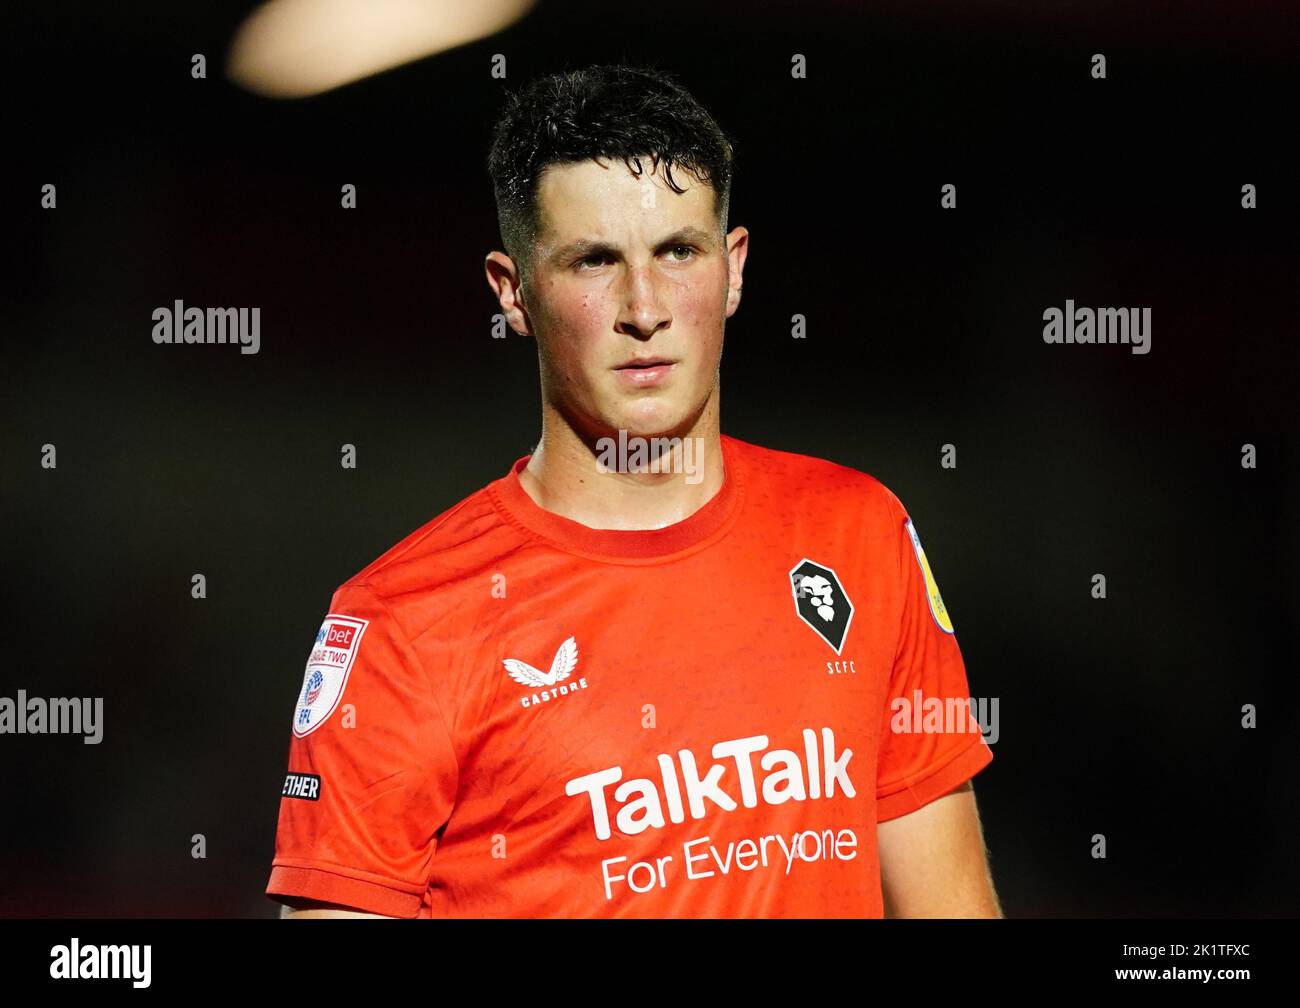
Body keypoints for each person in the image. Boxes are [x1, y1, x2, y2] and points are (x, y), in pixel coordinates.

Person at [267, 63, 1000, 918]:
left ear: (733, 270)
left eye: (678, 251)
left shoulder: (858, 532)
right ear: (513, 294)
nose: (643, 307)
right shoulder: (403, 622)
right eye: (594, 262)